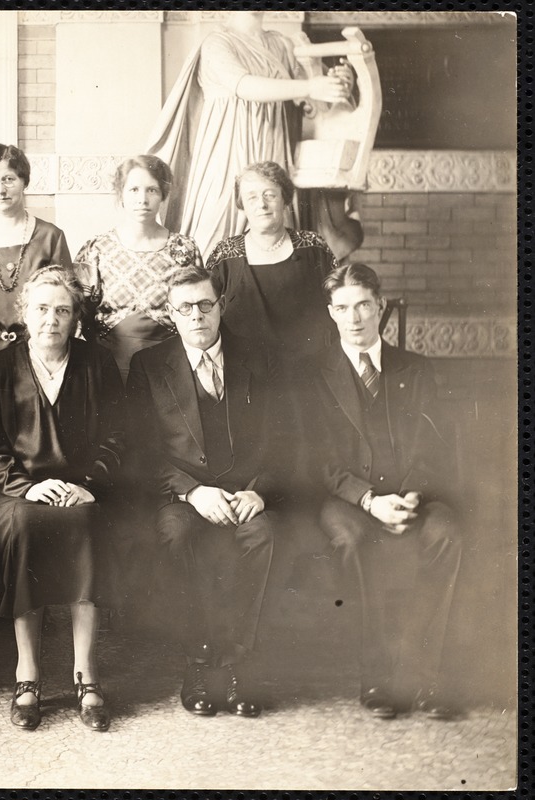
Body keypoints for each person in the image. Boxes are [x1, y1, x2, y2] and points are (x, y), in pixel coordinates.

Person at [306, 263, 462, 721]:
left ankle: (425, 675)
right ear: (330, 313)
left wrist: (411, 495)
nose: (353, 318)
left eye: (362, 306)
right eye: (342, 308)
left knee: (446, 534)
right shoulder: (315, 376)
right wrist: (369, 501)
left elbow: (432, 445)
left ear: (380, 306)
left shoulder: (416, 369)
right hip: (348, 500)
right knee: (352, 540)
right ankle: (376, 674)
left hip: (414, 495)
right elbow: (318, 460)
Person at [123, 265, 281, 718]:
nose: (197, 316)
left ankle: (237, 666)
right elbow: (141, 452)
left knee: (261, 536)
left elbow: (285, 441)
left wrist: (260, 494)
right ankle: (197, 662)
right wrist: (192, 492)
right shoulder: (149, 366)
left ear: (221, 306)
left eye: (205, 305)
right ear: (171, 314)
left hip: (246, 492)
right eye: (185, 308)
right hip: (184, 496)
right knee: (177, 535)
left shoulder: (260, 358)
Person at [0, 266, 124, 733]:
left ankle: (86, 674)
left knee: (85, 521)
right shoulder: (2, 367)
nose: (51, 320)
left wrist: (90, 485)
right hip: (19, 491)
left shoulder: (97, 363)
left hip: (81, 487)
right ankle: (28, 674)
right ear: (25, 313)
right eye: (41, 309)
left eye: (62, 310)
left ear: (76, 316)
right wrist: (27, 486)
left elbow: (119, 439)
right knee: (24, 526)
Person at [146, 10, 358, 260]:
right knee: (214, 235)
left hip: (274, 149)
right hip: (228, 155)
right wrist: (312, 86)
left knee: (277, 235)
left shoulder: (282, 44)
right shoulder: (217, 42)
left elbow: (315, 104)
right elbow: (245, 85)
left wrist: (339, 82)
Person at [75, 155, 203, 380]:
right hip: (108, 368)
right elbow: (78, 313)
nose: (142, 199)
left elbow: (197, 309)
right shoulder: (96, 249)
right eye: (134, 189)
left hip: (168, 370)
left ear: (163, 194)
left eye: (152, 190)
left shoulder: (185, 248)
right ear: (121, 195)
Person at [0, 144, 72, 377]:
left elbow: (66, 305)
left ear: (24, 182)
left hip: (40, 359)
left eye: (9, 179)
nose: (1, 189)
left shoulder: (50, 237)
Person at [206, 162, 339, 361]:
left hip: (311, 372)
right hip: (244, 374)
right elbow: (208, 313)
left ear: (285, 199)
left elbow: (339, 303)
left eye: (269, 195)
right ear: (241, 205)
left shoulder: (314, 247)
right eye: (252, 197)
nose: (262, 204)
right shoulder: (224, 255)